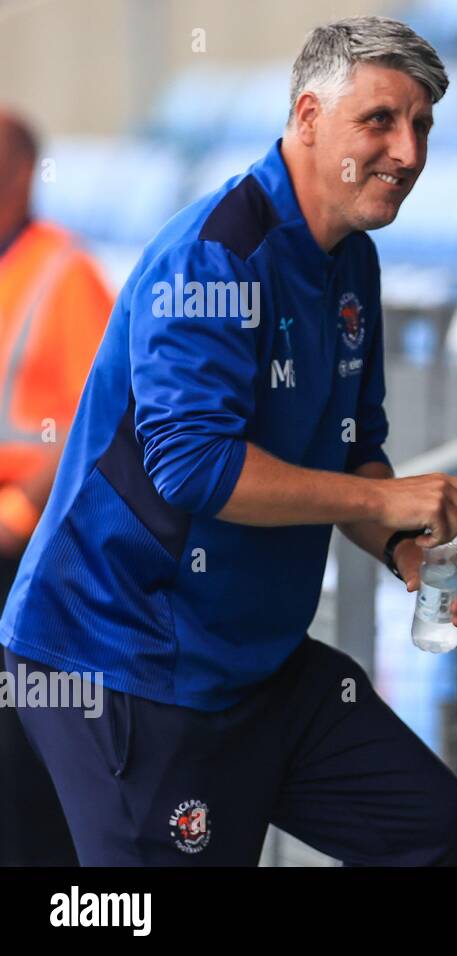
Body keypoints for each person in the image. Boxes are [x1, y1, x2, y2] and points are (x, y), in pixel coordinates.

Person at [0, 16, 457, 866]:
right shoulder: (214, 256)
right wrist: (381, 499)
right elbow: (193, 467)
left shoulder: (352, 262)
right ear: (307, 118)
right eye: (380, 120)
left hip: (258, 666)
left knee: (433, 828)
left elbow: (352, 449)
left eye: (423, 127)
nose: (407, 151)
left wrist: (404, 550)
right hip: (120, 660)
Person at [0, 109, 112, 866]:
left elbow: (97, 428)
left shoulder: (63, 275)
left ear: (19, 174)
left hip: (25, 554)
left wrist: (15, 513)